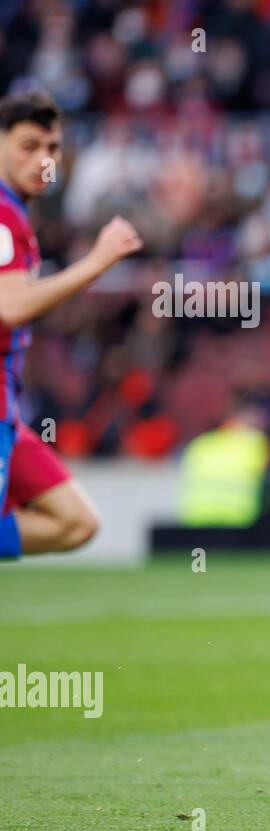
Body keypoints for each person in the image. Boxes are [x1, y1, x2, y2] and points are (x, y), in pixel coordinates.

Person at [0, 92, 142, 562]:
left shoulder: (17, 216)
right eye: (28, 146)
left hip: (8, 409)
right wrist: (98, 261)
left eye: (53, 148)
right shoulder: (3, 216)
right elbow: (11, 306)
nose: (43, 160)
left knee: (76, 521)